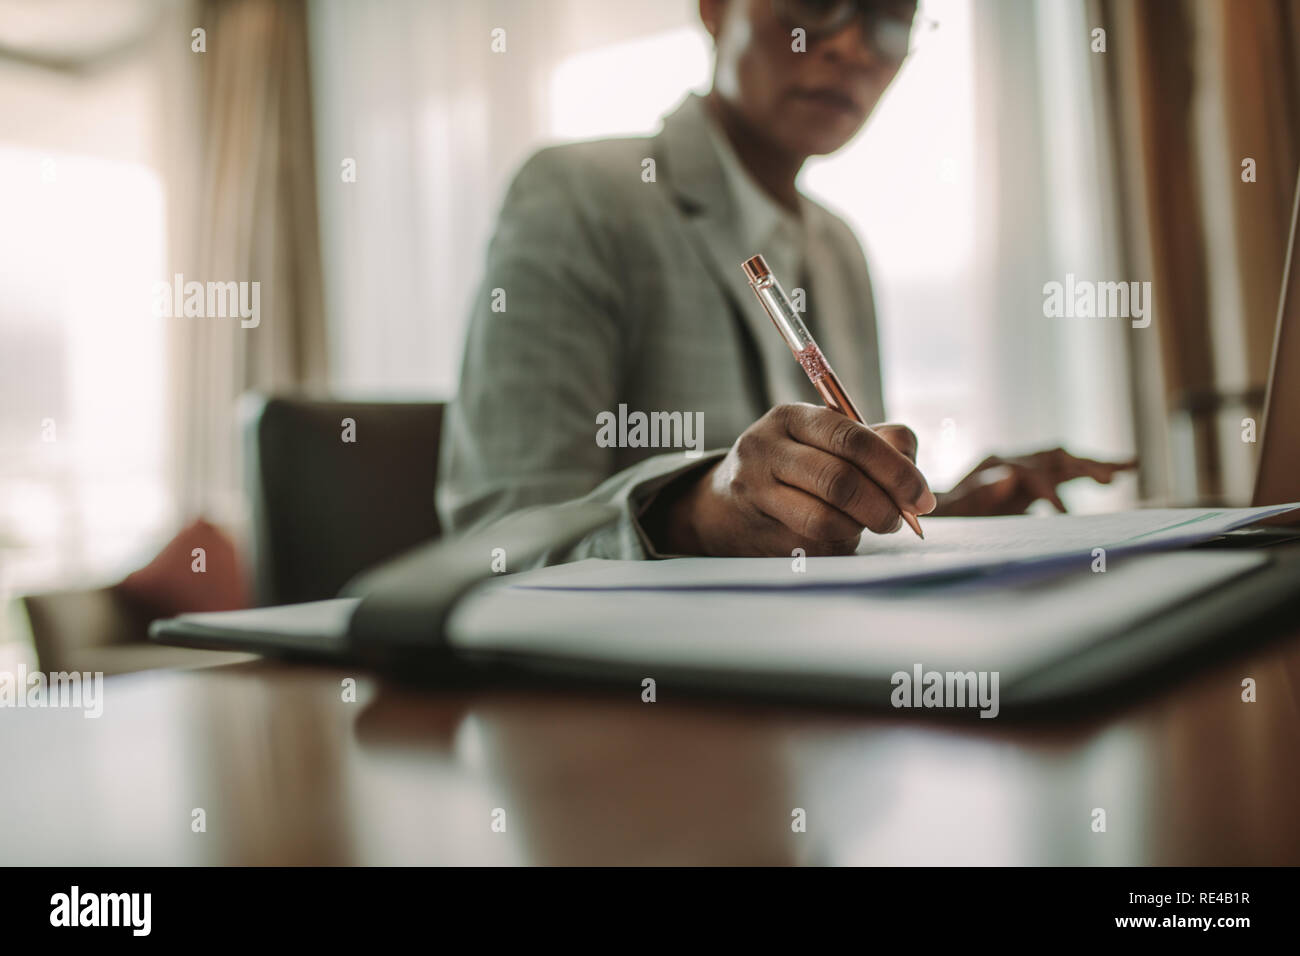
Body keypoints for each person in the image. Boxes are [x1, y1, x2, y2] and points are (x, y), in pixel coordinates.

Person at [438, 0, 1133, 561]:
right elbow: (498, 540)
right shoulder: (577, 199)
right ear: (713, 8)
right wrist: (693, 516)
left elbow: (819, 513)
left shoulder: (841, 250)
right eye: (815, 3)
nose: (851, 46)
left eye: (890, 17)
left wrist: (940, 508)